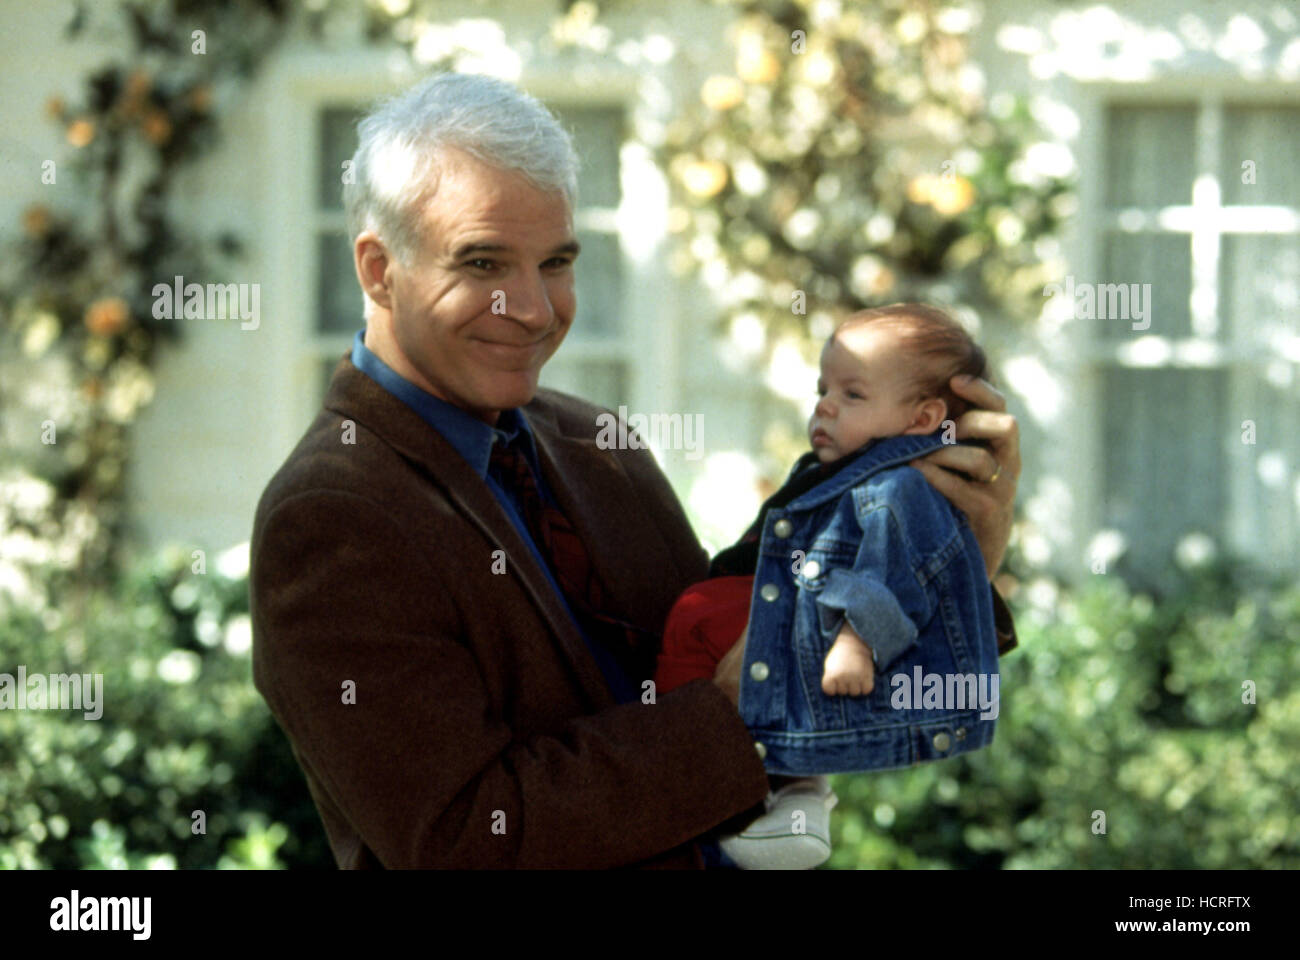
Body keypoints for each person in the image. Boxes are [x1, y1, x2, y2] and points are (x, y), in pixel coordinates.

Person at [248, 71, 1022, 869]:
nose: (537, 308)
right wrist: (729, 709)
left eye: (554, 262)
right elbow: (469, 839)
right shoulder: (331, 514)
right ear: (378, 269)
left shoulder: (593, 441)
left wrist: (942, 556)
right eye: (482, 264)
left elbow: (776, 687)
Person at [656, 303, 1013, 868]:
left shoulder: (899, 487)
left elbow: (889, 572)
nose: (824, 404)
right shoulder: (849, 471)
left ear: (922, 419)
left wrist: (855, 642)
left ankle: (705, 778)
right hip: (799, 610)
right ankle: (783, 791)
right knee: (699, 619)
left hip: (829, 629)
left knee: (699, 619)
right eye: (824, 387)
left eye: (853, 394)